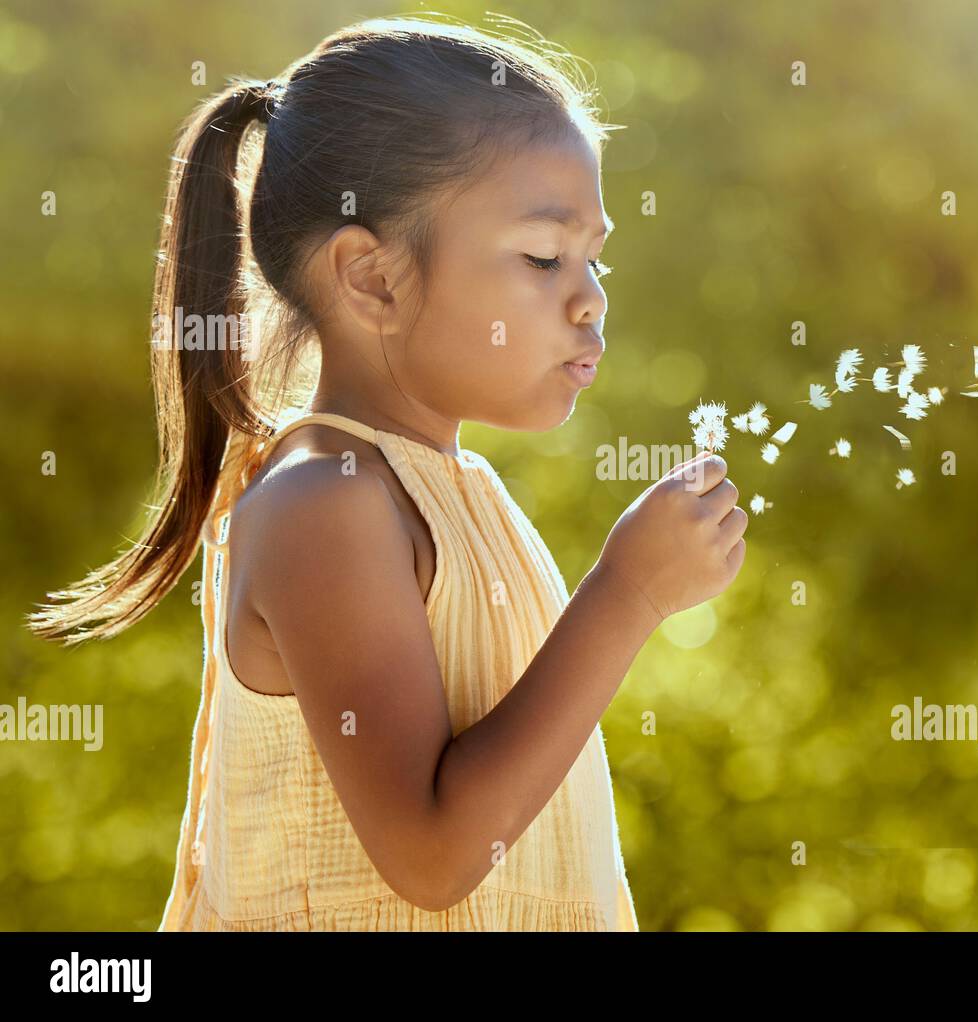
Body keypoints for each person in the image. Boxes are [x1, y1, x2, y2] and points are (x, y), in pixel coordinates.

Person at [26, 14, 747, 931]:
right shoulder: (323, 504)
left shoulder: (457, 492)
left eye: (596, 256)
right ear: (370, 278)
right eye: (542, 256)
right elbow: (433, 854)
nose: (591, 296)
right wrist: (628, 596)